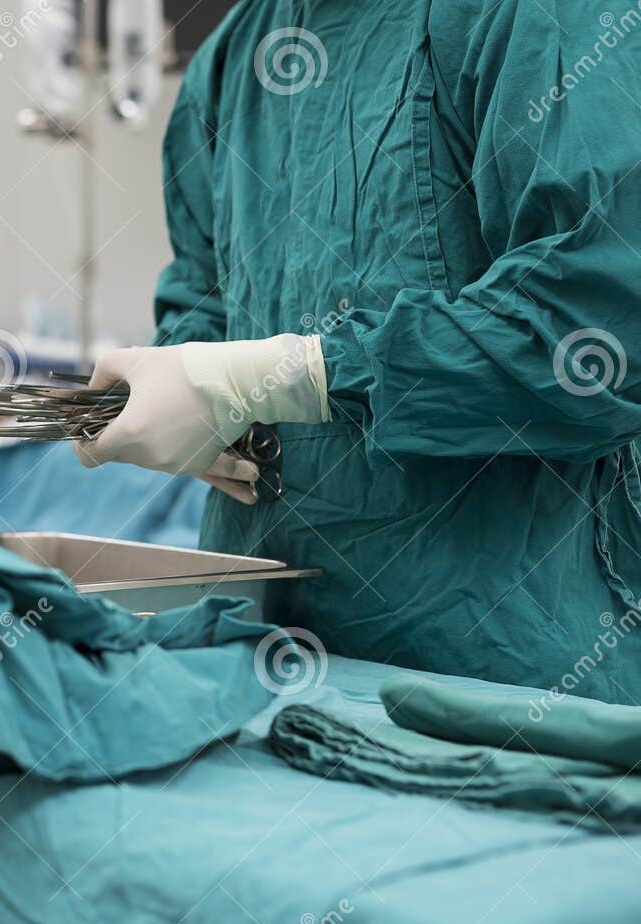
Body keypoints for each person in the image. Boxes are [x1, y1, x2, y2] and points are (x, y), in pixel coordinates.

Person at [74, 0, 641, 702]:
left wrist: (298, 376)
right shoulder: (233, 58)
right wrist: (183, 379)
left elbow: (600, 322)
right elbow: (206, 287)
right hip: (263, 656)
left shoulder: (539, 18)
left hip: (508, 667)